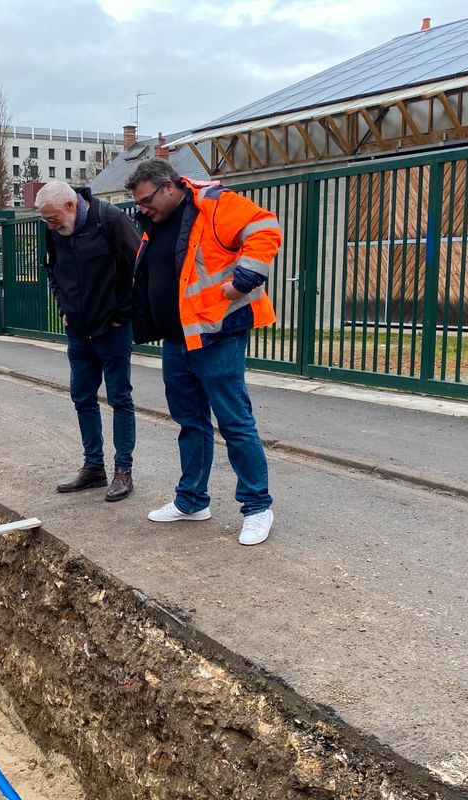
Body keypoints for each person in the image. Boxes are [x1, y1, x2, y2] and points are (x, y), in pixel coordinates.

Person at [125, 160, 282, 546]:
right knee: (190, 423)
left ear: (169, 187)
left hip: (217, 336)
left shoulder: (213, 204)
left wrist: (245, 279)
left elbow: (265, 227)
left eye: (146, 200)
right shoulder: (157, 221)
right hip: (177, 341)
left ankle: (257, 507)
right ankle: (192, 501)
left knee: (235, 422)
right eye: (138, 203)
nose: (142, 208)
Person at [36, 180, 141, 502]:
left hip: (113, 329)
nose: (50, 226)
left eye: (52, 218)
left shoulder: (110, 220)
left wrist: (122, 314)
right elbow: (52, 271)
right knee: (82, 398)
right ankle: (94, 467)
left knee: (119, 398)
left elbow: (140, 268)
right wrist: (63, 308)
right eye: (45, 220)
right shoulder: (55, 230)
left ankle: (123, 470)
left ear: (71, 205)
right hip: (79, 332)